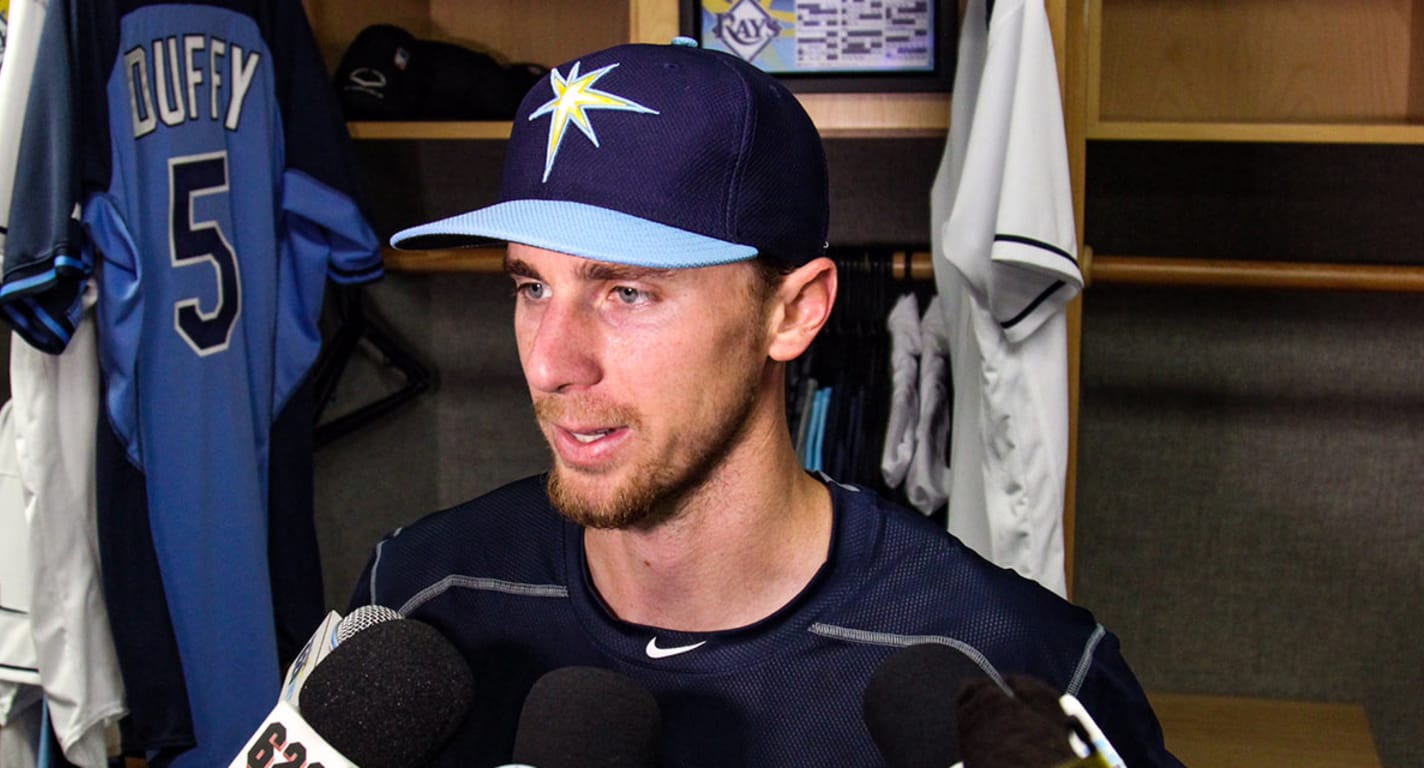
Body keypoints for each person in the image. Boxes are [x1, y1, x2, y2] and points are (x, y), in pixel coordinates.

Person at [355, 38, 1181, 767]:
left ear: (794, 312)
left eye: (628, 293)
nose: (550, 363)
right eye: (532, 286)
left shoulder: (1008, 665)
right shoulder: (418, 605)